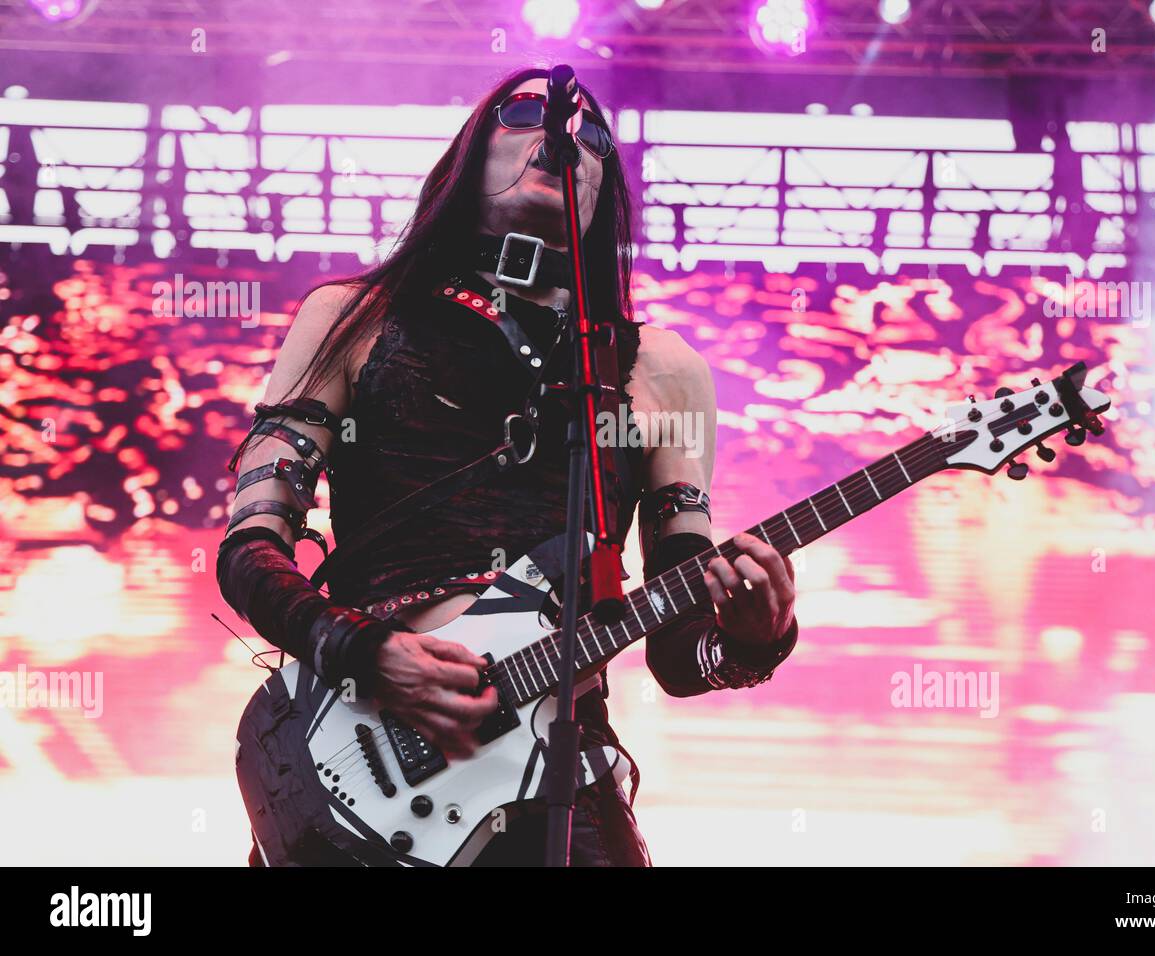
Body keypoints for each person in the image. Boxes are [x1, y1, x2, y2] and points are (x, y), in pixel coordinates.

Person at [217, 66, 799, 866]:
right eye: (525, 113)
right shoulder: (354, 315)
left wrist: (752, 639)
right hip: (352, 769)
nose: (564, 138)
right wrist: (367, 653)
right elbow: (250, 552)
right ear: (469, 155)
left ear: (603, 195)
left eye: (595, 138)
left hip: (556, 774)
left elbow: (677, 655)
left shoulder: (661, 369)